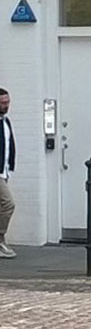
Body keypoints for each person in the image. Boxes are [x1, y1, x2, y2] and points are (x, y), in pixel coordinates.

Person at [0, 87, 15, 259]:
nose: (6, 105)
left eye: (8, 102)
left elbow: (9, 145)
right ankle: (0, 238)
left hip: (3, 171)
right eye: (3, 103)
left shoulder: (6, 121)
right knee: (9, 204)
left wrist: (9, 167)